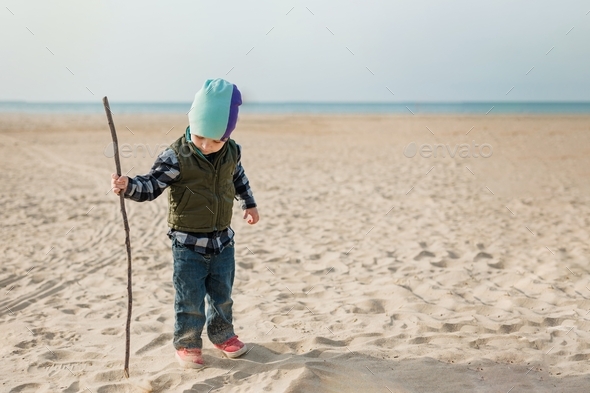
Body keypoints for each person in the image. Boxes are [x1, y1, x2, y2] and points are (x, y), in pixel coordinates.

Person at [110, 78, 259, 369]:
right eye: (201, 137)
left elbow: (238, 179)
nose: (205, 145)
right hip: (187, 244)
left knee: (222, 296)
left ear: (227, 135)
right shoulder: (176, 155)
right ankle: (188, 343)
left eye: (216, 140)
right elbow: (151, 186)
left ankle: (223, 335)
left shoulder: (231, 152)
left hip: (222, 241)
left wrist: (249, 203)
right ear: (193, 123)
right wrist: (128, 186)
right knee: (189, 298)